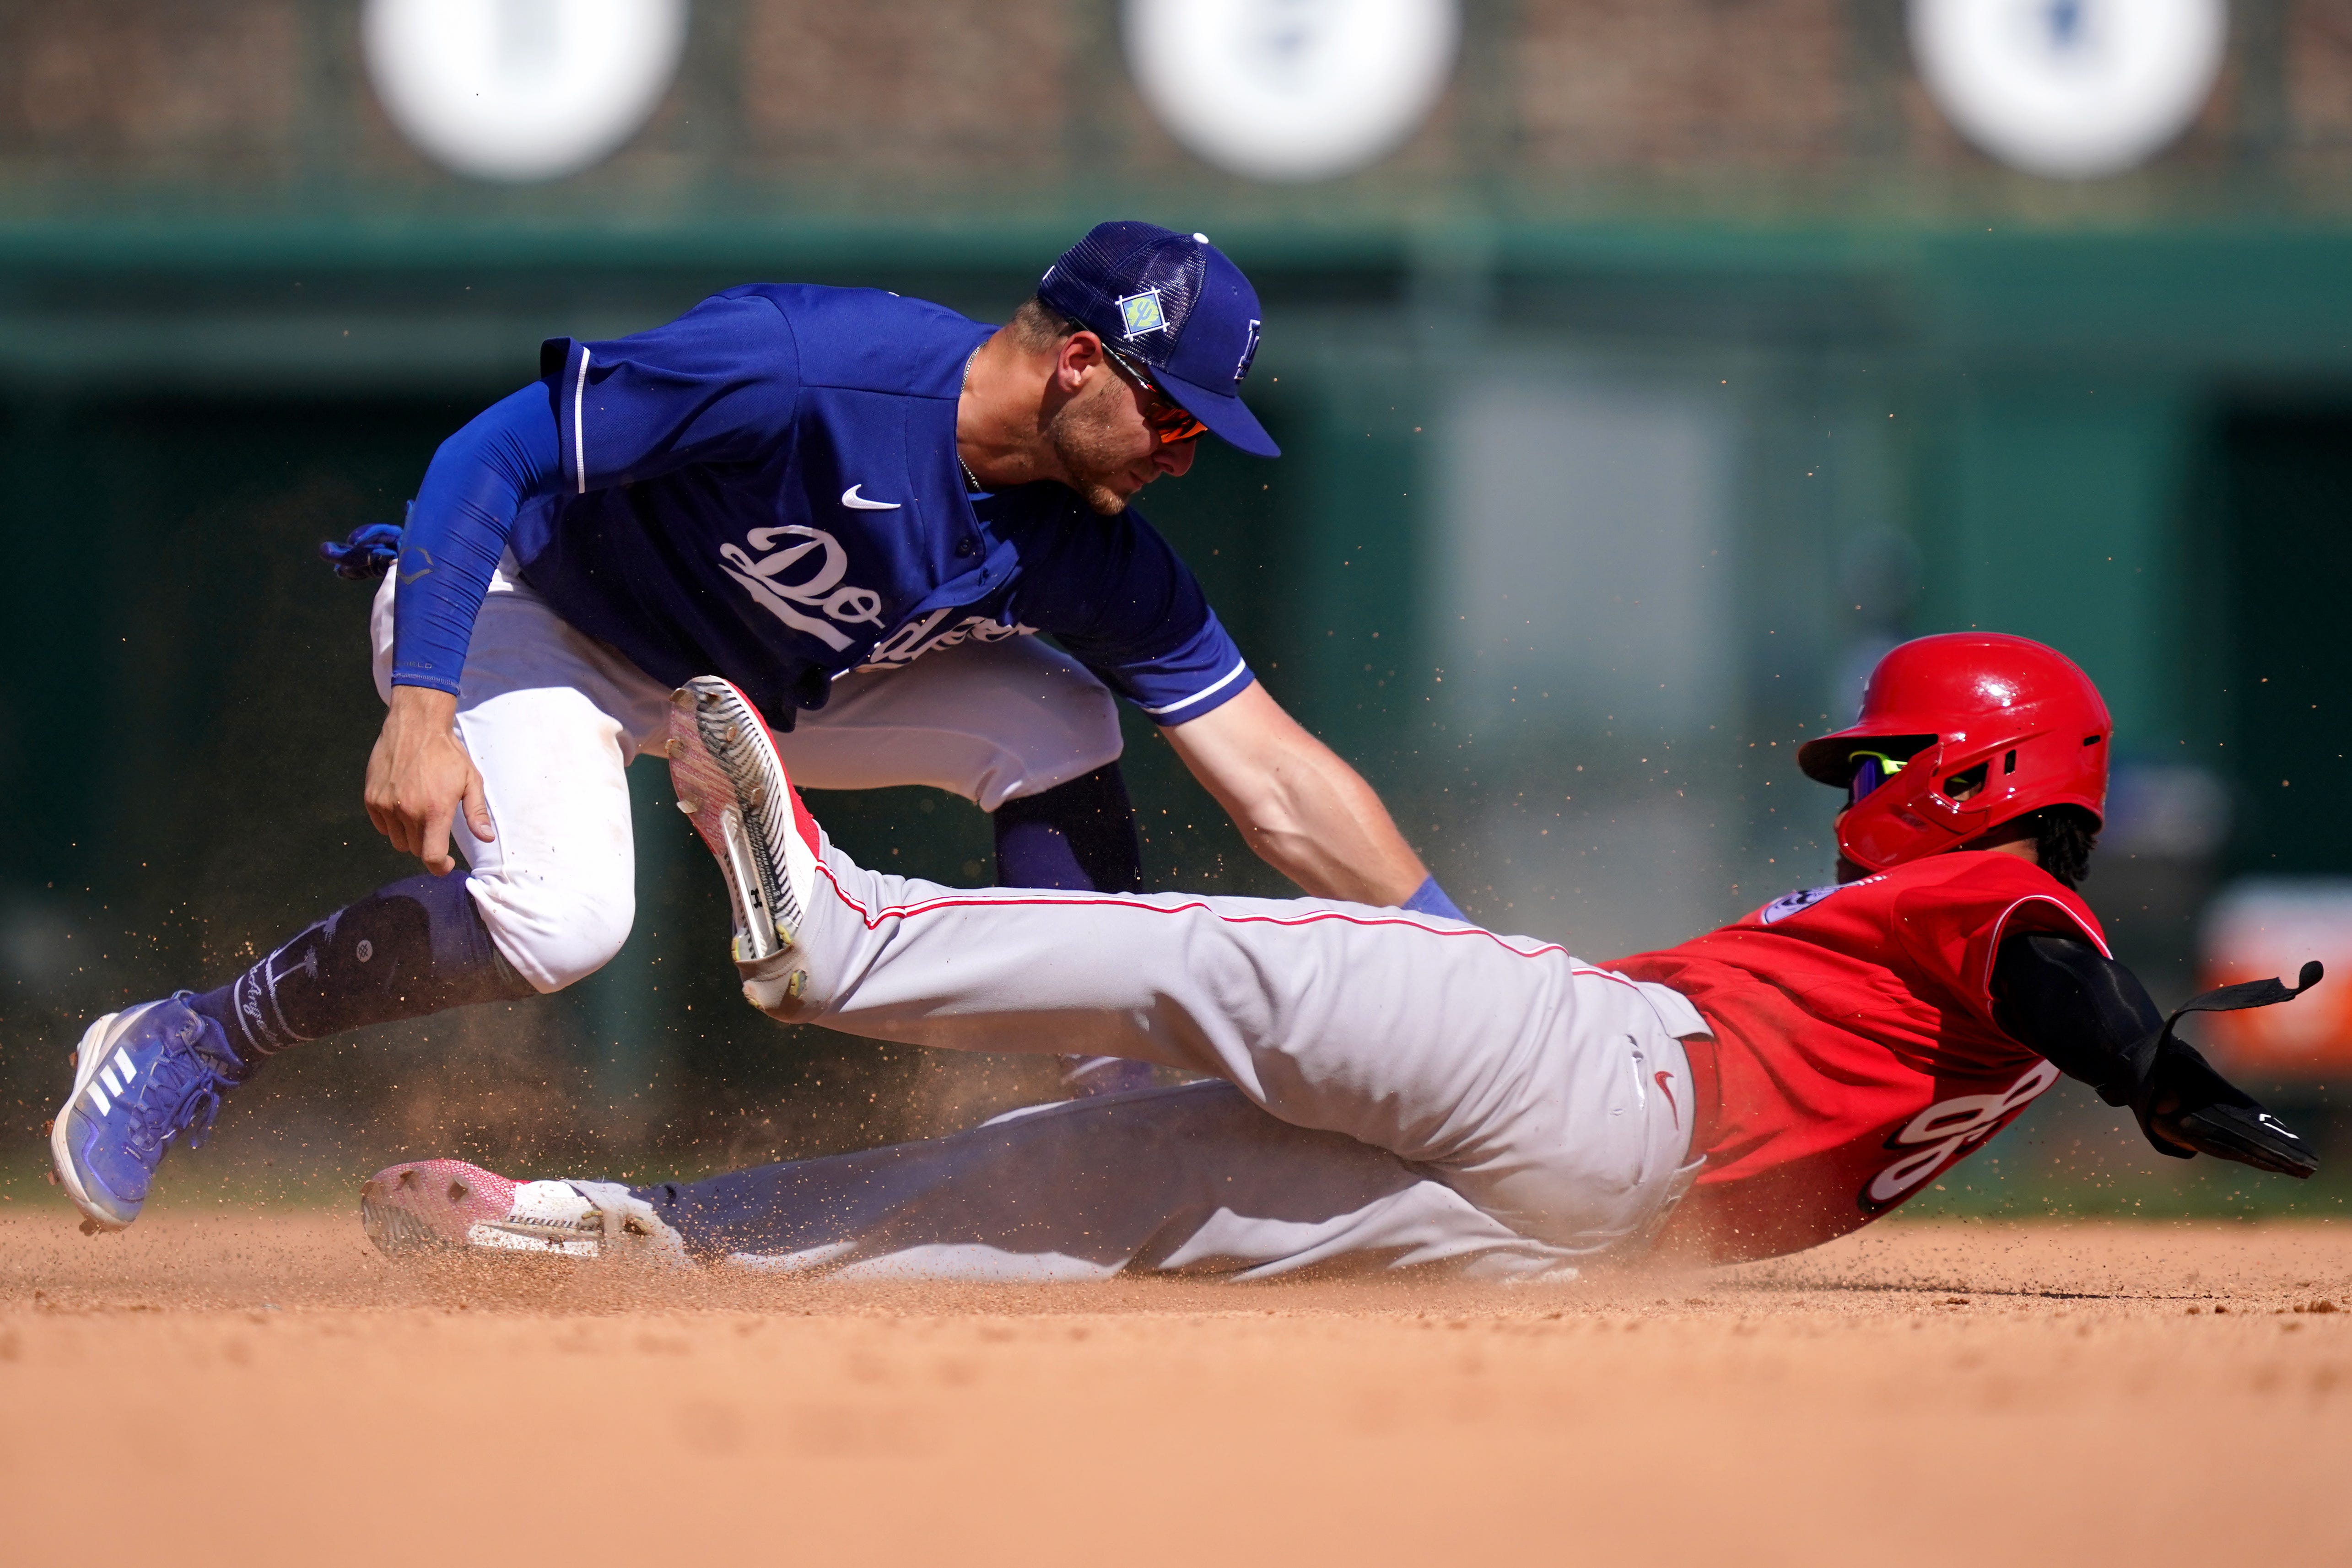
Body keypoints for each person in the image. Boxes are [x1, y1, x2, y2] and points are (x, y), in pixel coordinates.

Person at [48, 221, 1460, 1234]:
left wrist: (1474, 963)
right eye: (1174, 414)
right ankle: (191, 1040)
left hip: (746, 677)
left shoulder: (1090, 543)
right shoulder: (810, 368)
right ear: (1079, 362)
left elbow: (1273, 778)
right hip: (529, 606)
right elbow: (493, 450)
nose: (1184, 449)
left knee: (1053, 710)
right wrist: (421, 702)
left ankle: (1102, 1083)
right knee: (561, 924)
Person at [348, 635, 2322, 1282]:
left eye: (1888, 755)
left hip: (1614, 1070)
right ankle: (629, 1232)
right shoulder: (1969, 953)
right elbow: (2058, 1001)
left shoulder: (1982, 895)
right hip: (1596, 1239)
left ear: (1981, 767)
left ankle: (851, 923)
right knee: (1071, 1200)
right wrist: (2148, 1069)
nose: (1864, 788)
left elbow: (2063, 972)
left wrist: (2148, 1069)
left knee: (1238, 955)